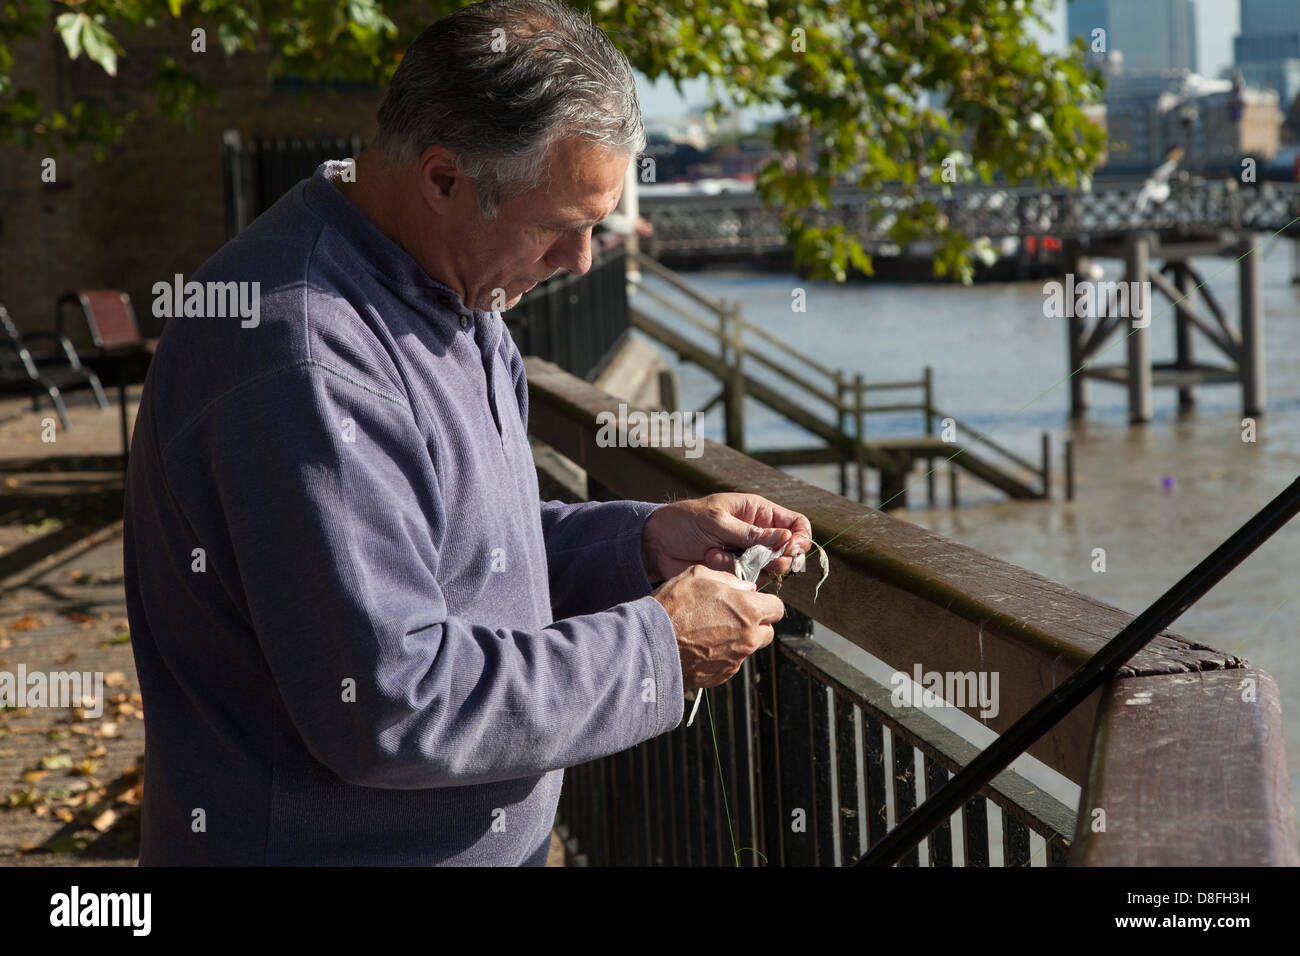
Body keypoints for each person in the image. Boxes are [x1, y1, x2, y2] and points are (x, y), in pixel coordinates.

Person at [123, 0, 811, 866]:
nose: (583, 262)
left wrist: (636, 547)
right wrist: (656, 645)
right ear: (444, 179)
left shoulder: (446, 283)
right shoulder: (305, 361)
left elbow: (459, 554)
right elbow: (389, 705)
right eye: (563, 227)